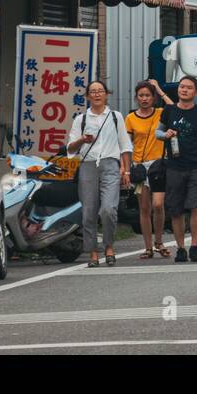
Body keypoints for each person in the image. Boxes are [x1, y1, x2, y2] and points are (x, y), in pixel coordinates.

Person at [154, 75, 197, 263]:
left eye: (188, 88)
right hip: (174, 166)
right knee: (176, 210)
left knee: (196, 206)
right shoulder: (169, 111)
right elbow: (157, 133)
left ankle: (194, 245)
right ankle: (181, 248)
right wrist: (165, 134)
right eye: (181, 87)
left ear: (195, 92)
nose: (184, 90)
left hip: (196, 166)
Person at [65, 80, 132, 268]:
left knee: (108, 209)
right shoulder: (81, 120)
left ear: (106, 94)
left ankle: (109, 246)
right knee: (88, 213)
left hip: (111, 165)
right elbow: (70, 149)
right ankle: (93, 252)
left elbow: (125, 145)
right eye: (93, 91)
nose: (96, 94)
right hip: (87, 166)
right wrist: (82, 140)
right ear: (87, 96)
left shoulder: (115, 117)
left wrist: (126, 170)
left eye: (100, 91)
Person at [126, 80, 170, 259]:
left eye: (148, 95)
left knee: (158, 205)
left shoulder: (161, 113)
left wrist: (160, 90)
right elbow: (127, 145)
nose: (144, 99)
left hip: (158, 165)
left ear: (153, 98)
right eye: (141, 95)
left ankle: (159, 241)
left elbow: (175, 108)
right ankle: (148, 247)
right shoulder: (130, 118)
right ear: (136, 98)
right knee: (144, 208)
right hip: (139, 167)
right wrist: (126, 169)